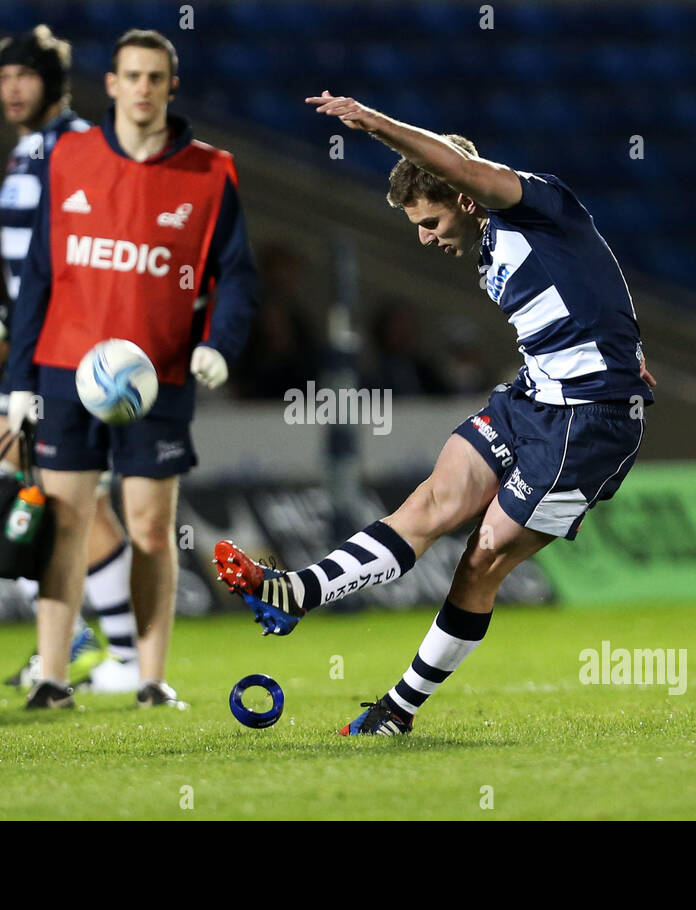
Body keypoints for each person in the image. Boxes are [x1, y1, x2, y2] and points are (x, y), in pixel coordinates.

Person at [215, 92, 657, 735]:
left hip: (589, 421)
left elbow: (464, 170)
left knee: (482, 558)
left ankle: (397, 711)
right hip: (532, 398)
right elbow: (594, 280)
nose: (424, 237)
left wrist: (375, 124)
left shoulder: (530, 202)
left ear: (465, 197)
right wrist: (626, 345)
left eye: (429, 220)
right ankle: (297, 593)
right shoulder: (493, 244)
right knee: (429, 503)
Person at [6, 29, 258, 709]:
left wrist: (219, 343)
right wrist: (18, 380)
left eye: (155, 77)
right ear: (111, 84)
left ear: (171, 87)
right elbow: (37, 275)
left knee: (149, 528)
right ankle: (52, 678)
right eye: (132, 76)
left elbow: (236, 274)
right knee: (65, 524)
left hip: (158, 377)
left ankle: (150, 680)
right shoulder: (69, 157)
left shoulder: (212, 171)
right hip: (65, 369)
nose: (143, 88)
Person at [0, 25, 139, 694]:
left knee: (60, 500)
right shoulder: (29, 153)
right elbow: (33, 269)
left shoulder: (76, 149)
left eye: (25, 75)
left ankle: (118, 650)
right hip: (38, 342)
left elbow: (74, 264)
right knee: (35, 492)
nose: (12, 88)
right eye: (3, 78)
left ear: (53, 83)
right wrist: (7, 332)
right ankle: (98, 642)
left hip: (68, 349)